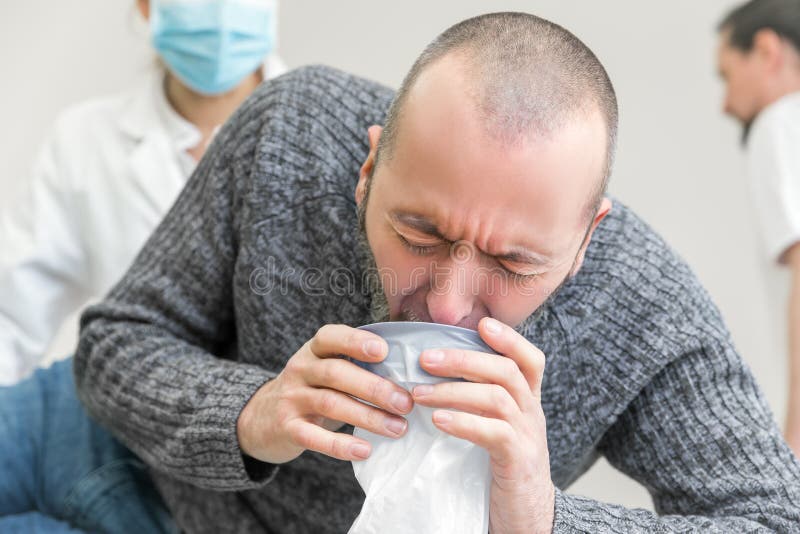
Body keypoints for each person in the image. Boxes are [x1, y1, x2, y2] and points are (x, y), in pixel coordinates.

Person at [70, 11, 800, 533]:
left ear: (586, 243)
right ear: (366, 169)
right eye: (417, 231)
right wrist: (250, 414)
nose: (447, 304)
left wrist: (543, 521)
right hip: (119, 469)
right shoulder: (290, 130)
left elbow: (773, 518)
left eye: (513, 262)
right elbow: (114, 343)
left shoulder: (645, 306)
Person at [0, 0, 284, 531]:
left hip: (213, 496)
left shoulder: (341, 140)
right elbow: (10, 315)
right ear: (146, 6)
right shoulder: (84, 138)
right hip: (84, 418)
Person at [716, 0, 800, 456]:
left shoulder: (782, 122)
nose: (725, 103)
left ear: (767, 51)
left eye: (726, 75)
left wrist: (797, 444)